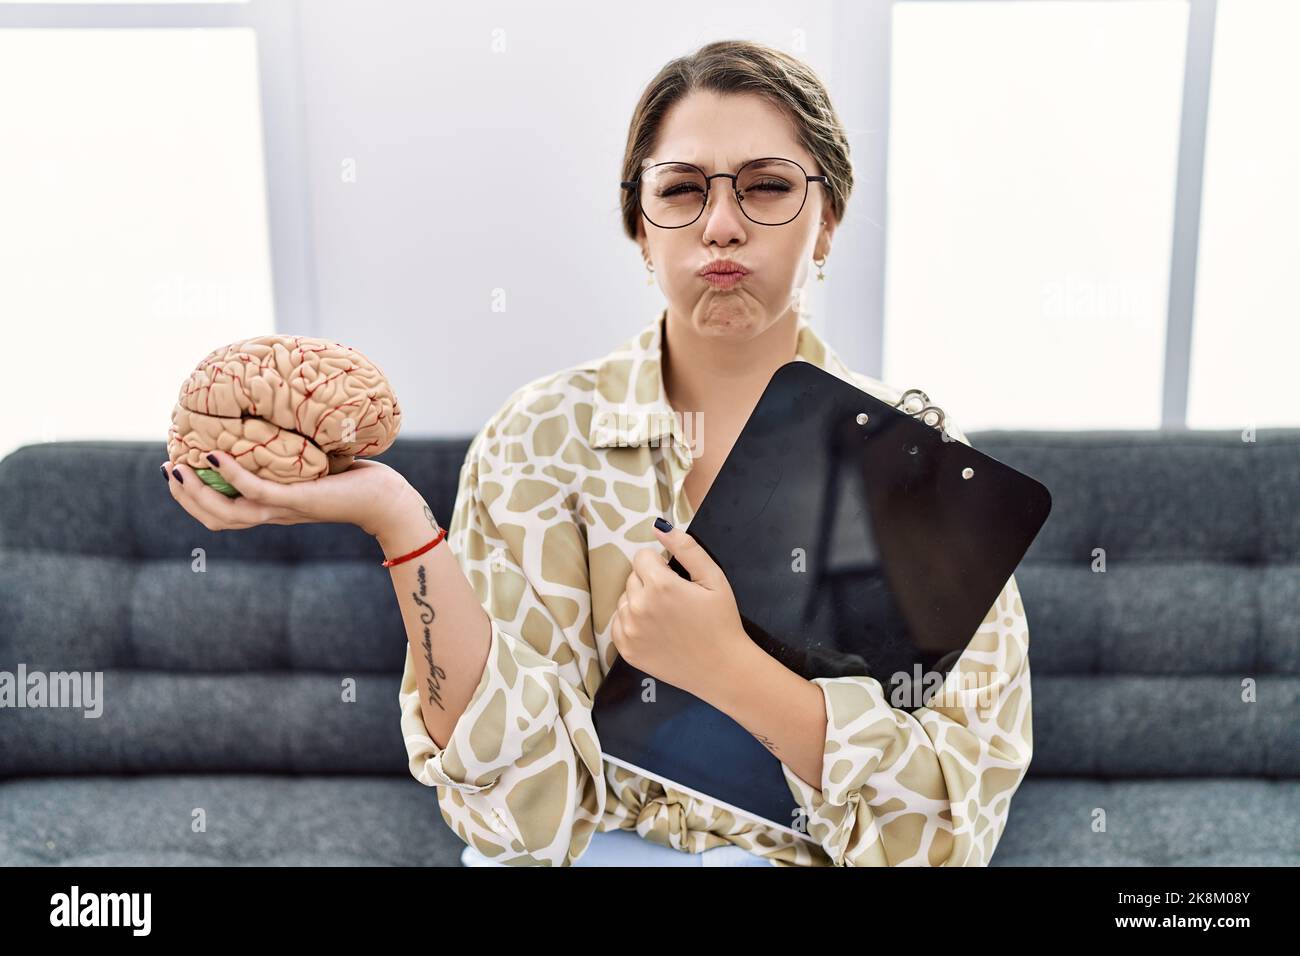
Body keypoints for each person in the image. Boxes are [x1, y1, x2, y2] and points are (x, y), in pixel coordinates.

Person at [162, 38, 1032, 867]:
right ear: (640, 227)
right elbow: (515, 817)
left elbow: (951, 831)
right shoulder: (539, 438)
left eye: (767, 188)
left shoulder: (922, 469)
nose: (721, 225)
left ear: (829, 222)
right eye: (682, 189)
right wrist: (398, 523)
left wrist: (726, 670)